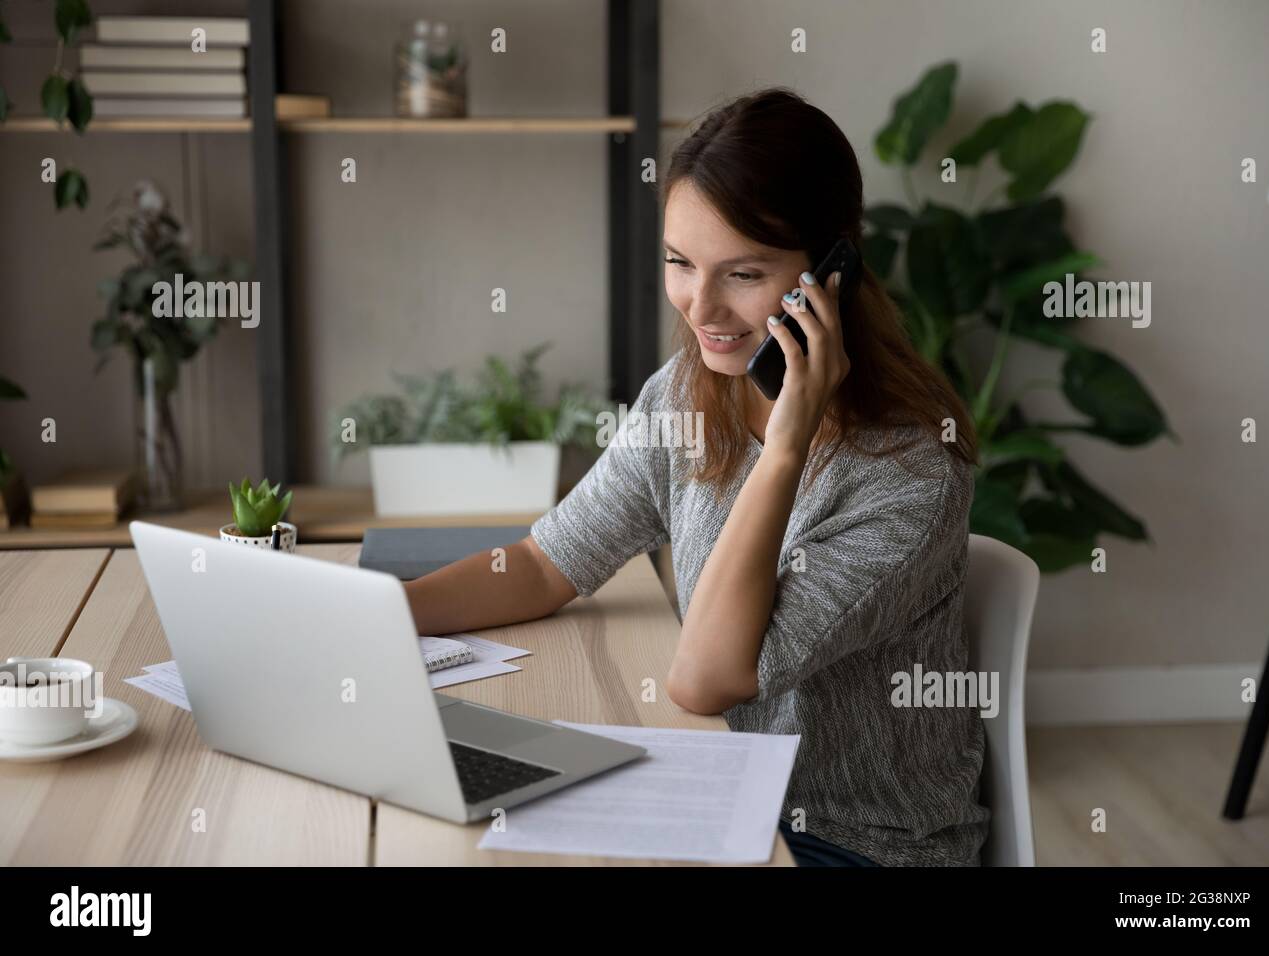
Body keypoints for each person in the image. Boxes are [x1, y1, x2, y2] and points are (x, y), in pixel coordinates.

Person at [404, 87, 990, 866]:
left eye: (742, 273)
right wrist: (372, 618)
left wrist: (784, 449)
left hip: (847, 842)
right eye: (682, 263)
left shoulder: (911, 475)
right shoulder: (688, 394)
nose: (701, 307)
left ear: (833, 271)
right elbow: (546, 566)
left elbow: (707, 679)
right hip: (718, 789)